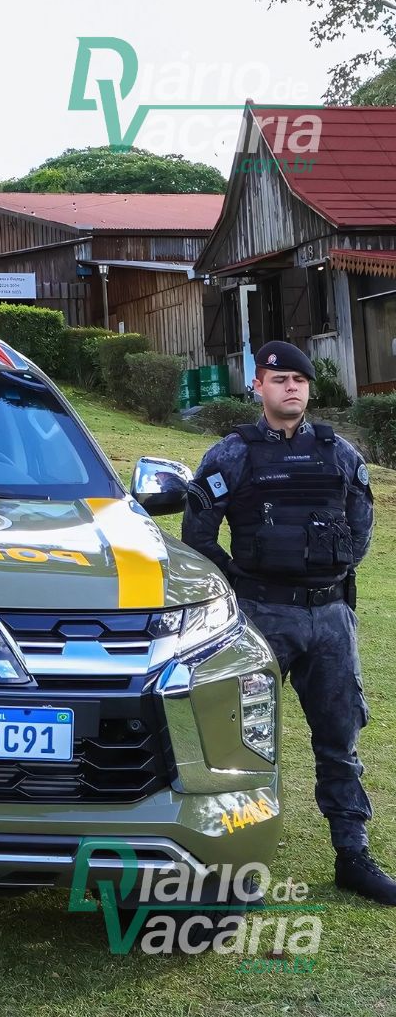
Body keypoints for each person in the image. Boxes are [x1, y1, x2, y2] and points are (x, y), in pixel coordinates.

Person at [182, 339, 393, 905]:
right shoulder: (233, 453)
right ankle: (235, 865)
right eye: (279, 380)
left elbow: (362, 524)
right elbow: (198, 537)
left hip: (329, 619)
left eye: (299, 380)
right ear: (259, 387)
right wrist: (243, 587)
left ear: (308, 388)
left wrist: (329, 576)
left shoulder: (338, 452)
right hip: (260, 620)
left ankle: (353, 856)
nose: (291, 387)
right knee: (243, 746)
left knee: (339, 740)